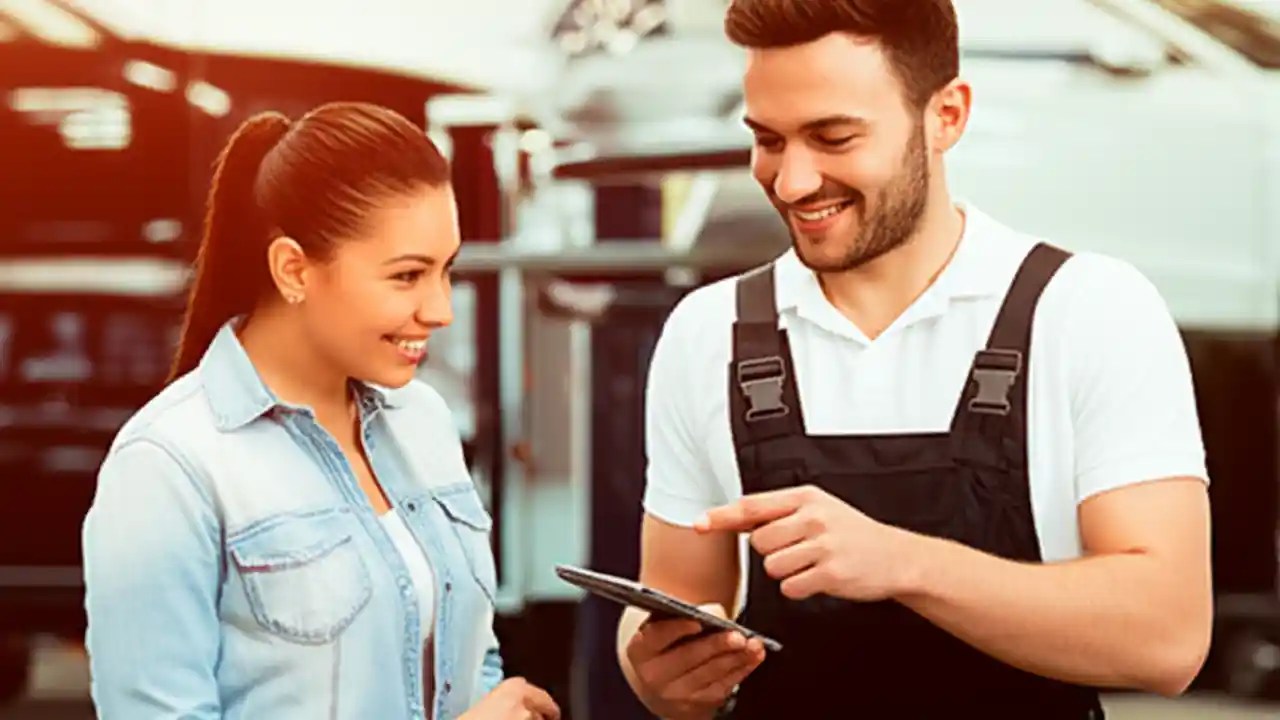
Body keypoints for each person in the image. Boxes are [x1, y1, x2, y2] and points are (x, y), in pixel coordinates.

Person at [616, 1, 1214, 718]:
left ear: (947, 116)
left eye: (833, 137)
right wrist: (653, 670)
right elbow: (672, 601)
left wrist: (902, 564)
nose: (792, 181)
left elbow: (1168, 638)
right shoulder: (706, 334)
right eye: (768, 140)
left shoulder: (1091, 311)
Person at [81, 102, 559, 720]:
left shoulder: (422, 419)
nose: (441, 309)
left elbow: (467, 657)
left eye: (447, 271)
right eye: (407, 276)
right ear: (293, 269)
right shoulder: (169, 467)